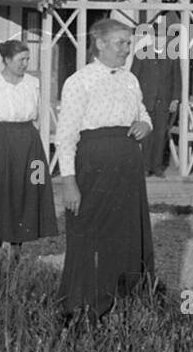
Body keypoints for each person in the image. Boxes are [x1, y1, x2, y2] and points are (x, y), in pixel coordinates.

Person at [55, 18, 156, 319]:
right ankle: (84, 307)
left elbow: (143, 113)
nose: (126, 49)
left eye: (128, 43)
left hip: (128, 164)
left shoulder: (130, 79)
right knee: (90, 233)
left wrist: (145, 125)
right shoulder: (79, 81)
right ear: (99, 43)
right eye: (120, 43)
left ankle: (126, 302)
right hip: (93, 165)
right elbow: (66, 136)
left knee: (127, 232)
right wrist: (69, 182)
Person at [0, 39, 58, 251]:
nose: (25, 64)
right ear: (7, 60)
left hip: (30, 143)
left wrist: (38, 147)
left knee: (32, 185)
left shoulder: (32, 83)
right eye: (21, 60)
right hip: (2, 142)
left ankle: (18, 248)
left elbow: (38, 117)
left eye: (27, 59)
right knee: (0, 192)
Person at [130, 26, 180, 176]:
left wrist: (175, 99)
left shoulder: (172, 55)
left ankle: (157, 167)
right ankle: (145, 168)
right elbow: (133, 79)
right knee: (146, 135)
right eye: (156, 37)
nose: (159, 40)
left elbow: (177, 79)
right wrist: (134, 100)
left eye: (162, 37)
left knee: (160, 135)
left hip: (163, 103)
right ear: (151, 38)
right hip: (145, 103)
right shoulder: (141, 54)